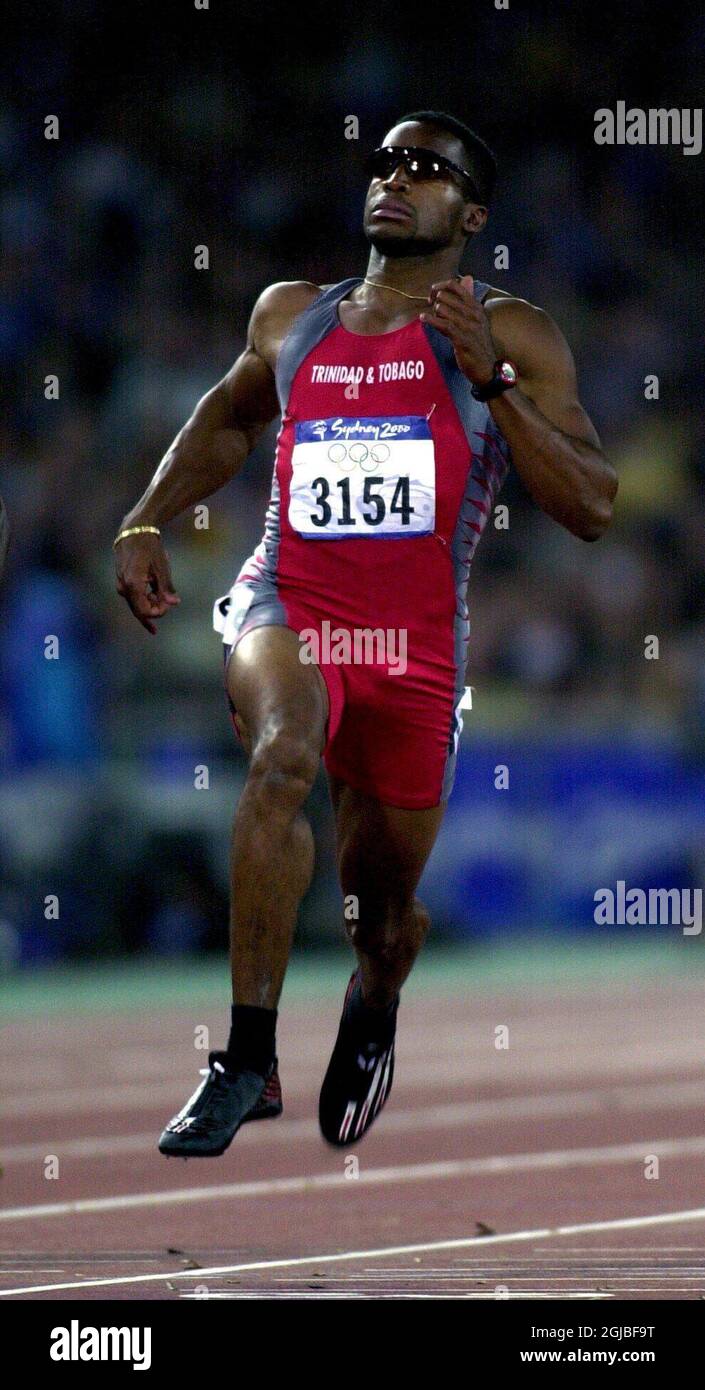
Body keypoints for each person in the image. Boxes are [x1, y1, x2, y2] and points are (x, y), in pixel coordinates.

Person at [114, 110, 617, 1157]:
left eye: (427, 169)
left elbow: (592, 503)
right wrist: (147, 514)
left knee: (382, 917)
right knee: (280, 758)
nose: (396, 178)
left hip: (416, 652)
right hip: (287, 604)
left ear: (472, 212)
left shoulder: (511, 331)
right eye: (385, 161)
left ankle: (375, 996)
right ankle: (246, 1059)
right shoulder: (292, 315)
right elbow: (228, 416)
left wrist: (492, 384)